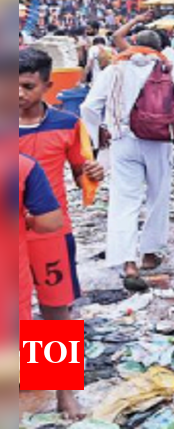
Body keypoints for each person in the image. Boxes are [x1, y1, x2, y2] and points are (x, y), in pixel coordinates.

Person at [19, 50, 104, 421]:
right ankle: (21, 376)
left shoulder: (68, 125)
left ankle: (63, 392)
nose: (18, 94)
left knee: (56, 309)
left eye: (27, 86)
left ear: (48, 86)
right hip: (9, 236)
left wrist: (92, 173)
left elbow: (80, 172)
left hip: (52, 232)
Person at [82, 29, 174, 292]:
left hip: (123, 140)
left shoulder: (114, 70)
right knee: (158, 197)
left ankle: (128, 263)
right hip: (158, 141)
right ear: (159, 48)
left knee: (124, 200)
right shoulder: (166, 68)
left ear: (133, 45)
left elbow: (88, 107)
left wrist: (99, 134)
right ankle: (149, 254)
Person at [17, 153, 77, 419]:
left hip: (42, 232)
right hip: (33, 228)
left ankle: (61, 390)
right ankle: (63, 392)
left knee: (54, 305)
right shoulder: (22, 164)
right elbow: (50, 220)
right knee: (53, 306)